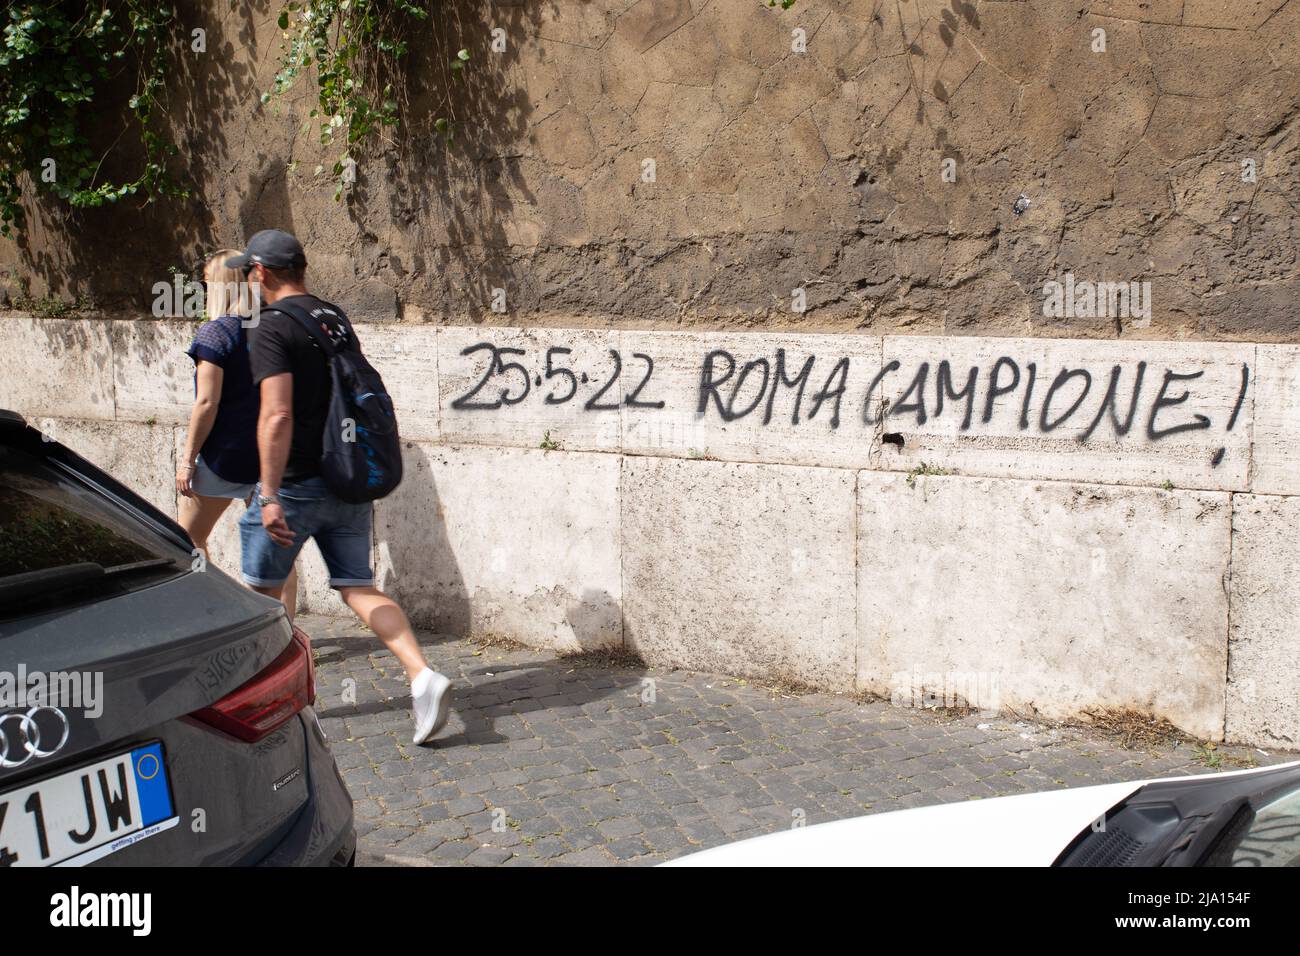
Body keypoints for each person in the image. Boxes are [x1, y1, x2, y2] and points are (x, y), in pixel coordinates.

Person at [227, 229, 452, 745]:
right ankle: (422, 674)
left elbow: (278, 413)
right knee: (357, 587)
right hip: (346, 476)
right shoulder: (333, 318)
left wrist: (268, 494)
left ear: (261, 272)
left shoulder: (270, 327)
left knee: (262, 599)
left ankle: (276, 706)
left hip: (297, 484)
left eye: (250, 272)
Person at [178, 249, 298, 616]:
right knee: (277, 551)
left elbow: (206, 404)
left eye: (205, 281)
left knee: (187, 543)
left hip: (222, 458)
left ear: (218, 285)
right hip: (267, 458)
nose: (203, 287)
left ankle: (211, 614)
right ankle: (286, 629)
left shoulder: (215, 334)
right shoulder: (272, 328)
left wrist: (186, 461)